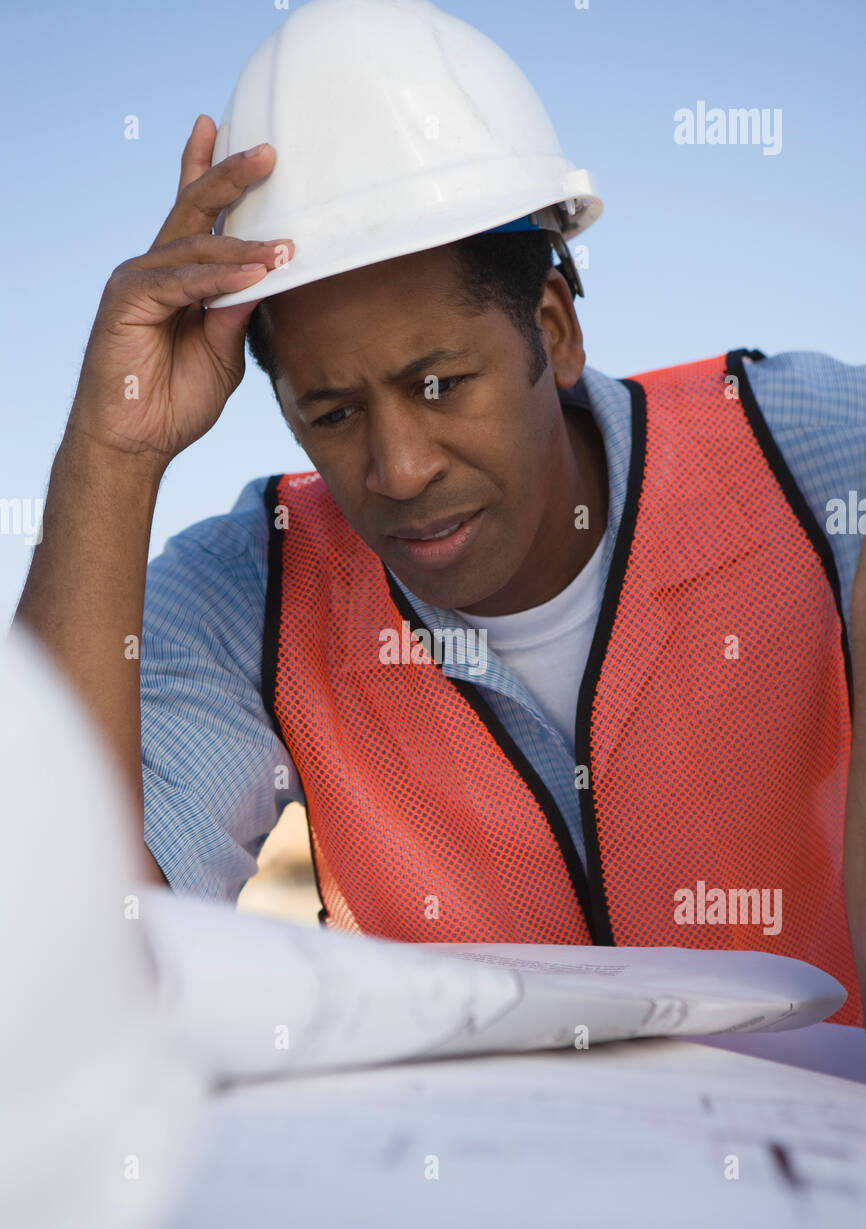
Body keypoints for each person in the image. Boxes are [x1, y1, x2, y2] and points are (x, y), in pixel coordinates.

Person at [14, 6, 866, 1029]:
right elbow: (55, 946)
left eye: (438, 385)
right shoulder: (254, 588)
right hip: (453, 1180)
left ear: (550, 331)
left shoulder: (808, 455)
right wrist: (114, 457)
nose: (397, 470)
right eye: (329, 414)